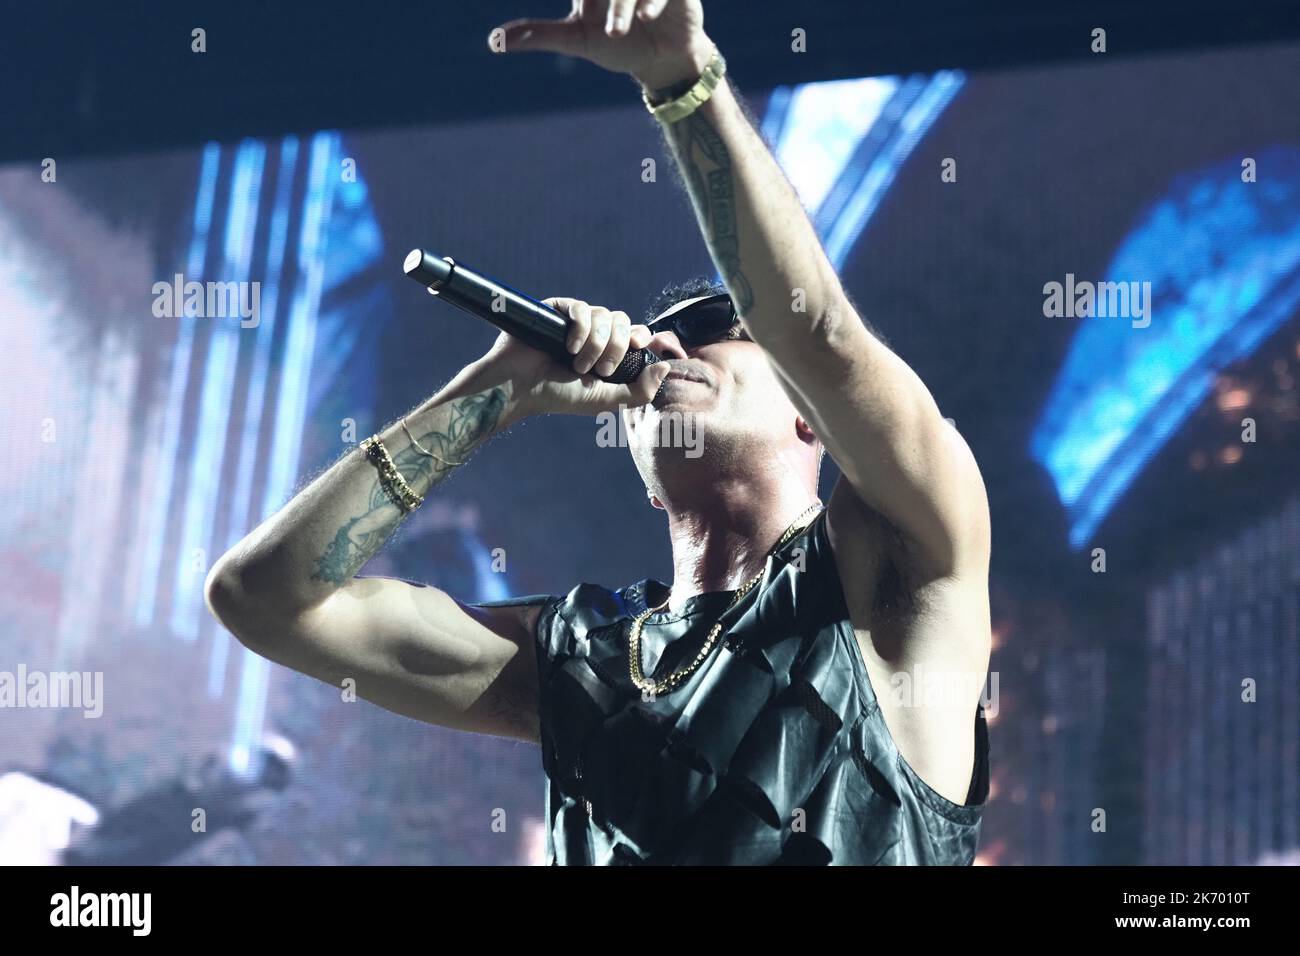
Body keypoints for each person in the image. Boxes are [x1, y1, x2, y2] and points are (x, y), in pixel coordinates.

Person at [206, 0, 992, 865]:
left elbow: (820, 331)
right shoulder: (581, 661)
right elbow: (264, 601)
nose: (664, 344)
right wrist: (492, 394)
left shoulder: (900, 558)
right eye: (663, 331)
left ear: (810, 413)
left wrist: (682, 85)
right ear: (648, 480)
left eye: (709, 328)